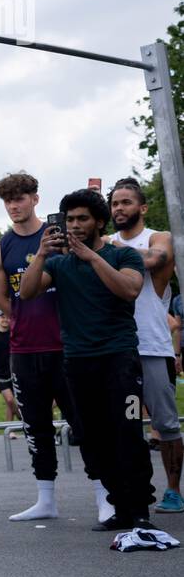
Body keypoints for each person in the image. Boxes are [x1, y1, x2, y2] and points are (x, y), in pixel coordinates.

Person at [19, 189, 157, 530]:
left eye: (83, 219)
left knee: (127, 432)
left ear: (98, 221)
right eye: (70, 220)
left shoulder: (123, 256)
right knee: (93, 438)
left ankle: (139, 509)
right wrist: (40, 254)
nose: (76, 225)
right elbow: (26, 292)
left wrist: (92, 257)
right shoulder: (59, 264)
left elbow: (129, 290)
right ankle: (118, 507)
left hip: (119, 360)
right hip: (79, 363)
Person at [0, 172, 93, 522]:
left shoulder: (62, 237)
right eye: (8, 200)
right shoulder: (0, 248)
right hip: (25, 349)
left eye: (20, 197)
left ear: (35, 198)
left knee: (84, 423)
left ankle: (105, 496)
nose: (14, 205)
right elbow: (5, 301)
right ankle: (46, 499)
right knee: (36, 426)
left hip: (68, 345)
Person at [108, 177, 183, 514]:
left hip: (152, 345)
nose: (119, 208)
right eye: (113, 203)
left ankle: (173, 490)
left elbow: (154, 258)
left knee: (165, 423)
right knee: (126, 422)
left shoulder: (157, 236)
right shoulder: (106, 241)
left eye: (125, 202)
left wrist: (104, 252)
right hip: (117, 349)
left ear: (142, 207)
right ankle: (134, 491)